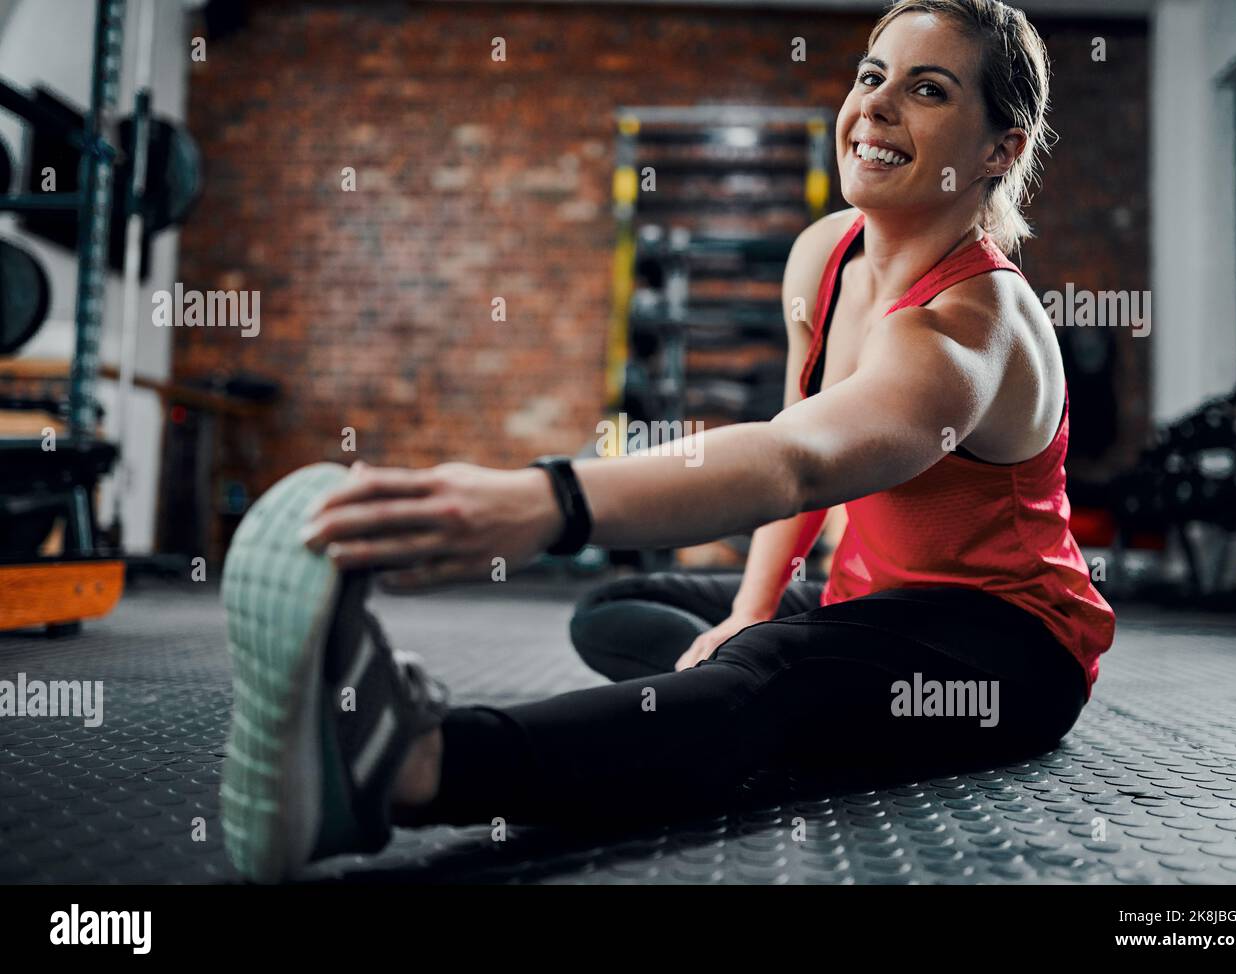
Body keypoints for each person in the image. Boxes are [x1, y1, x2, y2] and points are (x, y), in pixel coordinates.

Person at [218, 0, 1115, 883]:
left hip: (1008, 650)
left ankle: (408, 766)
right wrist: (752, 605)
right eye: (871, 75)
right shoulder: (825, 256)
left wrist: (548, 501)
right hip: (869, 597)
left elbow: (794, 465)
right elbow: (796, 436)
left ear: (1000, 149)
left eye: (927, 90)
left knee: (772, 671)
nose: (875, 106)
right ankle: (774, 713)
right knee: (622, 610)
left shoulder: (967, 328)